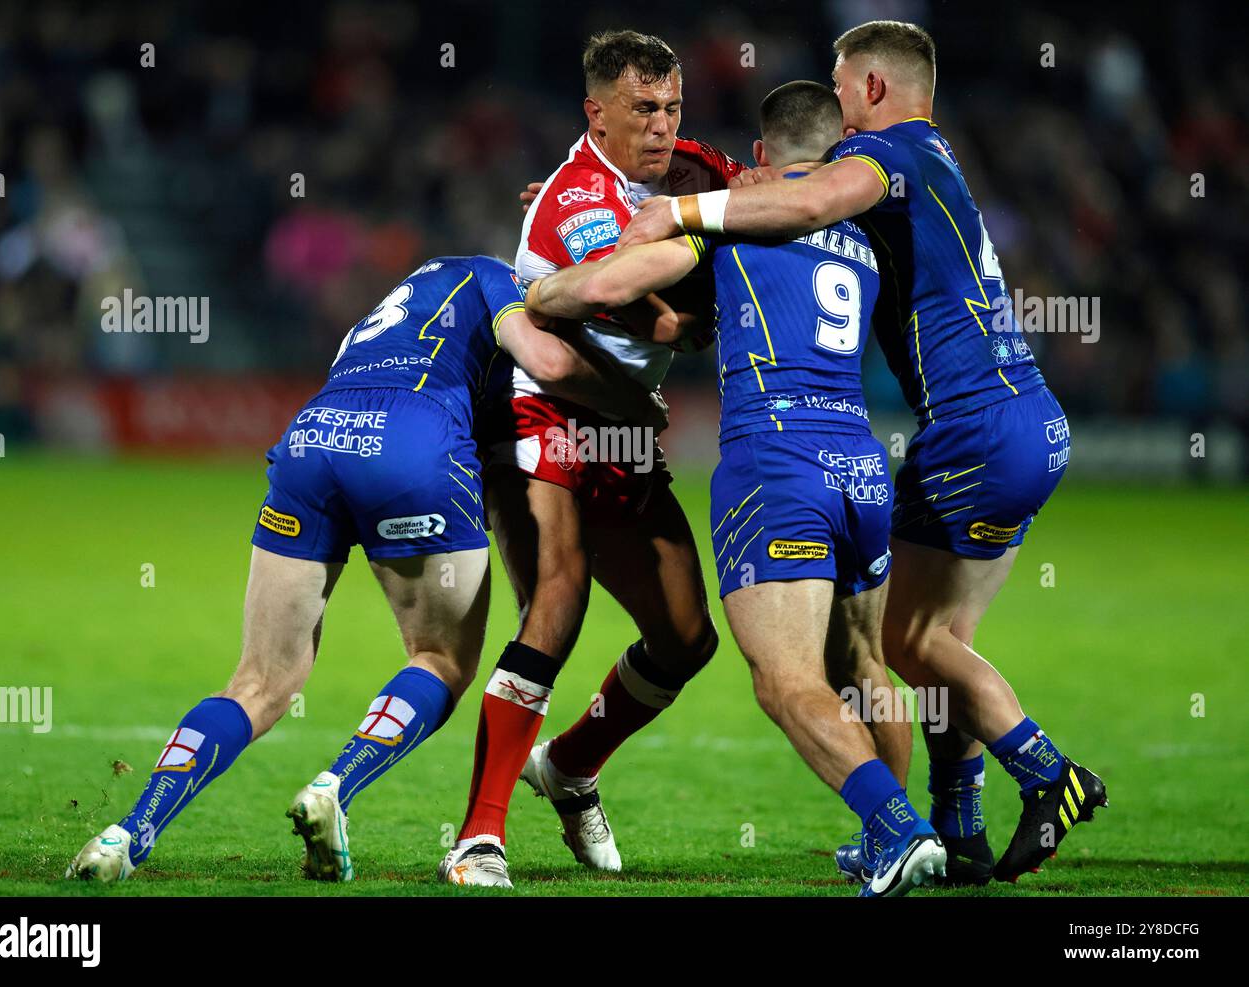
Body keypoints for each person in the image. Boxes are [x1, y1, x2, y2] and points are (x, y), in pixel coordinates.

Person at [619, 20, 1107, 885]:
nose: (840, 113)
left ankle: (1049, 772)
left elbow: (805, 201)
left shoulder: (897, 155)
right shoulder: (937, 162)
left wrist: (679, 209)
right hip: (1032, 419)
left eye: (843, 90)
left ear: (873, 89)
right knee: (944, 641)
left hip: (972, 428)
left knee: (912, 646)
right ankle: (957, 828)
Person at [66, 255, 663, 883]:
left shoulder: (390, 314)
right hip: (410, 439)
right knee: (440, 660)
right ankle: (334, 788)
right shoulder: (491, 275)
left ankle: (127, 834)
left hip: (313, 437)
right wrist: (631, 400)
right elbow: (545, 363)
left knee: (259, 682)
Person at [523, 81, 944, 897]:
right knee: (861, 662)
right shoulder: (854, 231)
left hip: (777, 461)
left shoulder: (728, 219)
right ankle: (891, 830)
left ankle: (898, 833)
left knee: (786, 681)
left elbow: (606, 286)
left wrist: (537, 291)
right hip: (861, 462)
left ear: (760, 157)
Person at [440, 30, 741, 888]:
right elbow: (638, 310)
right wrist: (701, 293)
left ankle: (569, 765)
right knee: (558, 600)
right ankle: (477, 838)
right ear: (595, 112)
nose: (661, 124)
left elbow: (757, 194)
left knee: (686, 637)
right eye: (642, 108)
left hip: (622, 424)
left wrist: (727, 214)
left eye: (672, 106)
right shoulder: (577, 195)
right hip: (545, 407)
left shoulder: (689, 166)